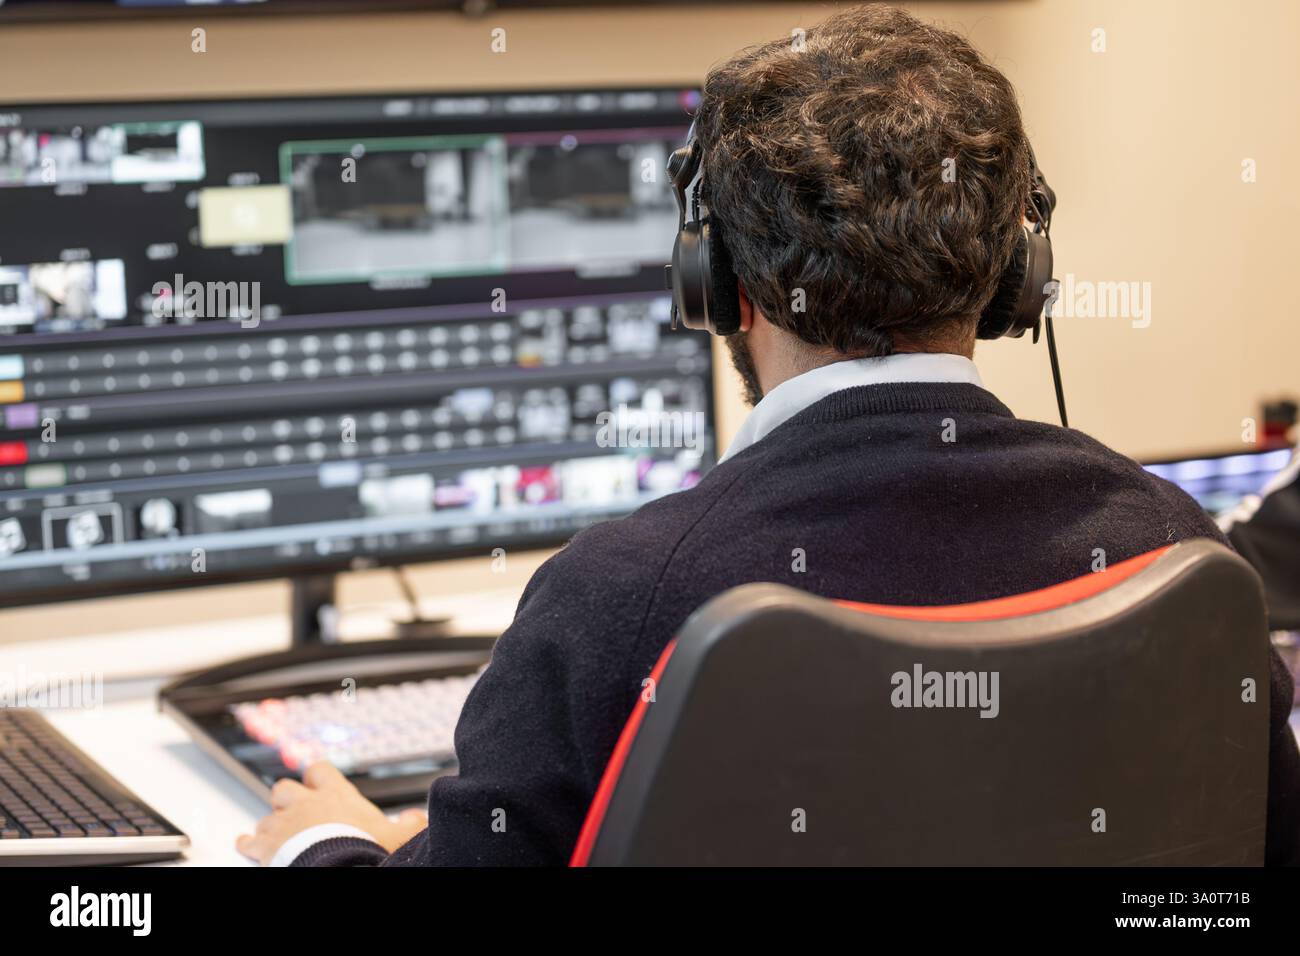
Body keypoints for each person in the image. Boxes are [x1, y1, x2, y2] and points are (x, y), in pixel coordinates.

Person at [236, 4, 1300, 867]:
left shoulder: (620, 597)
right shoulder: (1170, 554)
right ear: (1013, 279)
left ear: (718, 286)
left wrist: (330, 844)